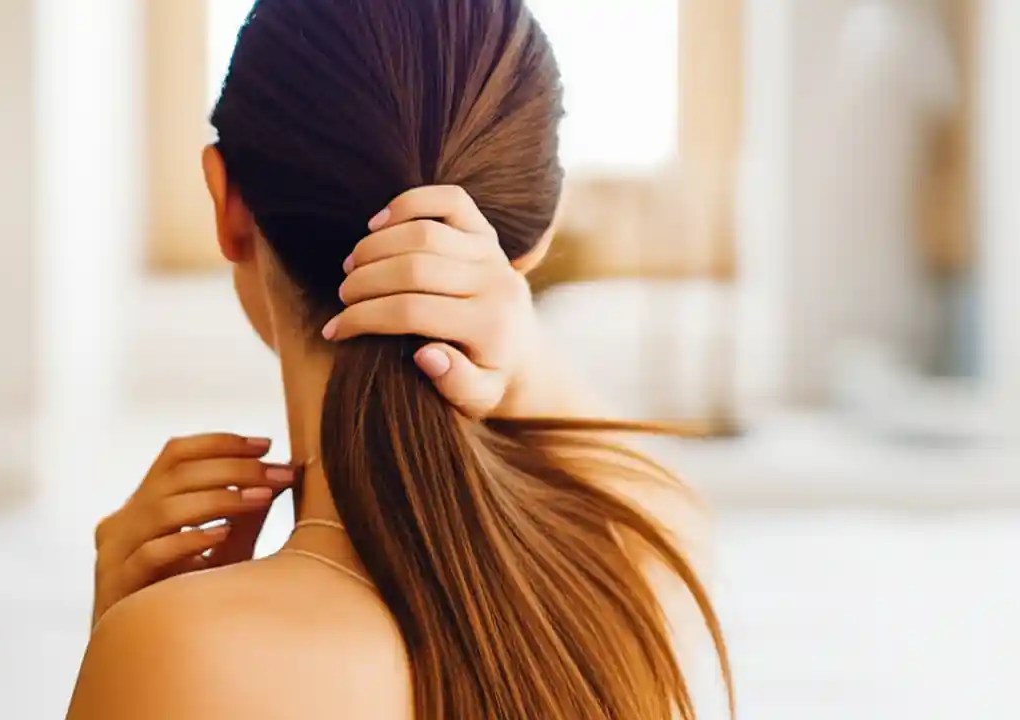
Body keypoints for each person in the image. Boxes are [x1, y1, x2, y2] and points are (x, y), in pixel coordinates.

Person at [67, 1, 730, 718]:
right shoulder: (643, 557)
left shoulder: (181, 650)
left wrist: (122, 642)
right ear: (536, 235)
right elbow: (642, 487)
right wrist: (520, 344)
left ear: (227, 205)